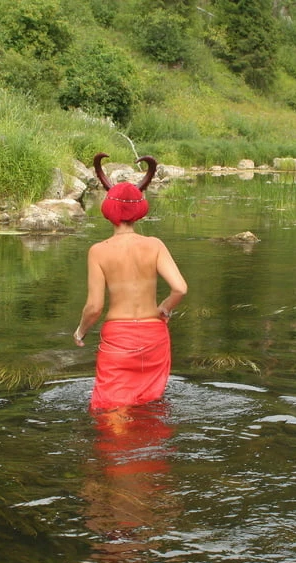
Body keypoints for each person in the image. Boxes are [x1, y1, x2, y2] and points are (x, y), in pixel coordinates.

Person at [73, 153, 188, 411]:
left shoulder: (99, 251)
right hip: (154, 335)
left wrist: (81, 332)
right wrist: (164, 308)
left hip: (119, 340)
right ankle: (151, 450)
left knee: (112, 407)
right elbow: (180, 288)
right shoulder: (155, 245)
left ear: (108, 209)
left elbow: (94, 307)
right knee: (148, 403)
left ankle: (117, 451)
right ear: (139, 210)